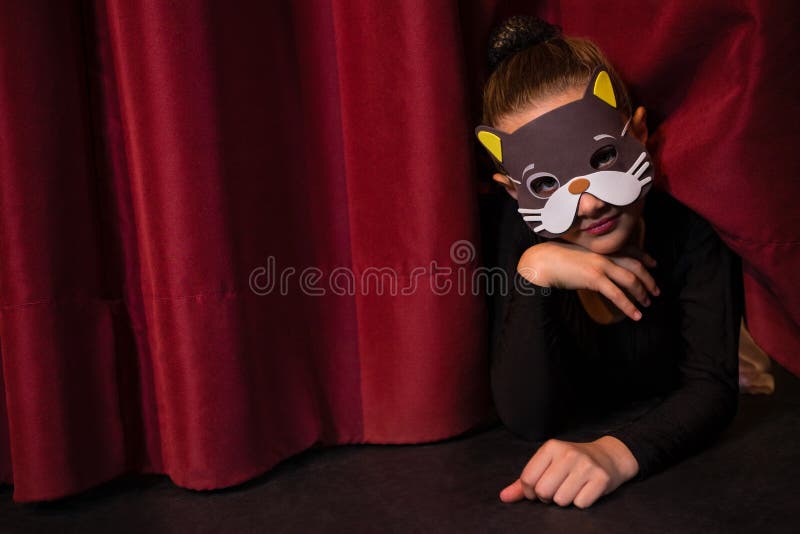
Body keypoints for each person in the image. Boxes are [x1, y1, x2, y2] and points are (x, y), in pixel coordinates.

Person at [476, 16, 743, 509]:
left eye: (602, 158)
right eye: (546, 185)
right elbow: (528, 418)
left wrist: (617, 455)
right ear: (514, 195)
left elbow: (711, 385)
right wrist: (536, 272)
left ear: (639, 132)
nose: (592, 205)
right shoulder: (516, 239)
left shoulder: (691, 229)